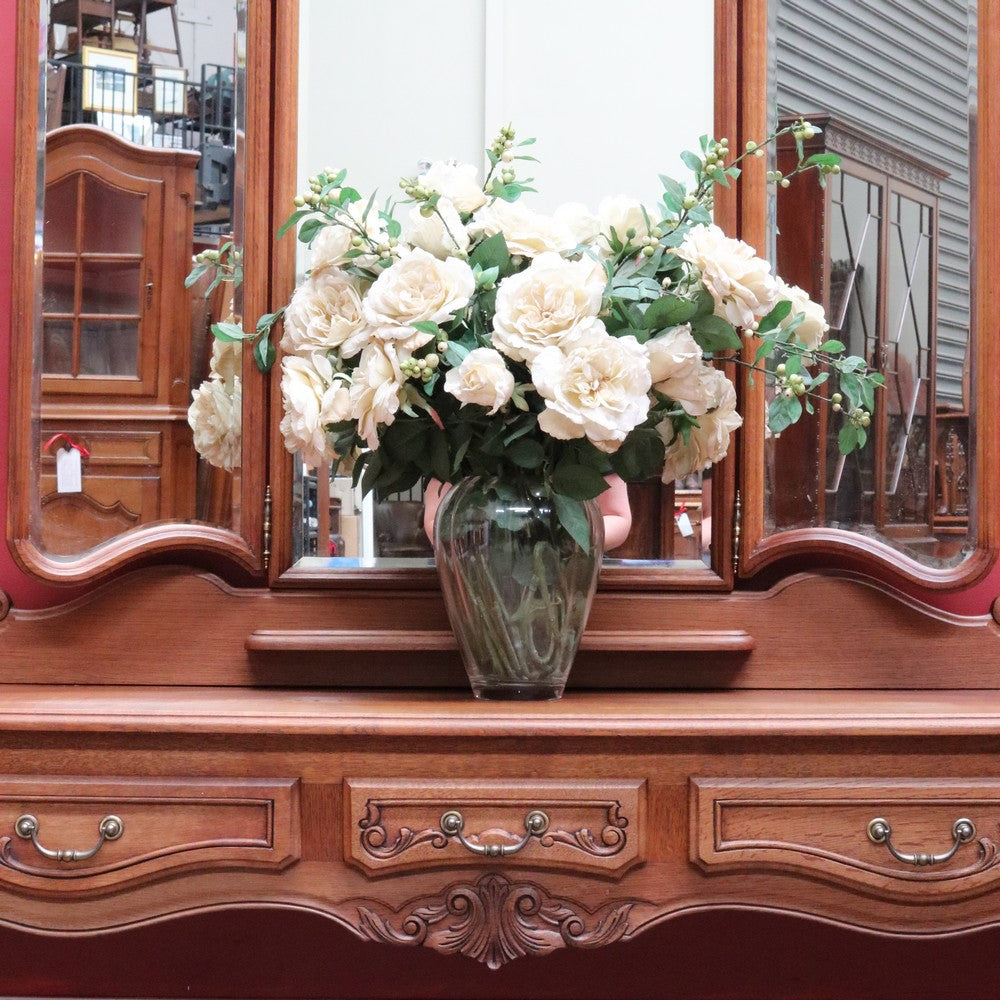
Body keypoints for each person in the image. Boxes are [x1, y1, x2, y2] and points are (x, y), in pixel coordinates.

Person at [423, 474, 633, 552]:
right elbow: (438, 524)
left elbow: (618, 517)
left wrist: (561, 539)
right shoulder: (451, 428)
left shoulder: (600, 426)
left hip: (567, 577)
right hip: (478, 577)